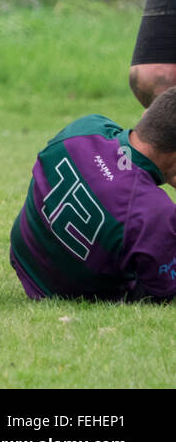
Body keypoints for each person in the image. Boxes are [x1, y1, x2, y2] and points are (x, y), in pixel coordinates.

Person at [10, 88, 176, 302]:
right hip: (71, 292)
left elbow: (118, 167)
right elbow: (163, 292)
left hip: (25, 258)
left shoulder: (86, 127)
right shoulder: (154, 213)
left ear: (146, 116)